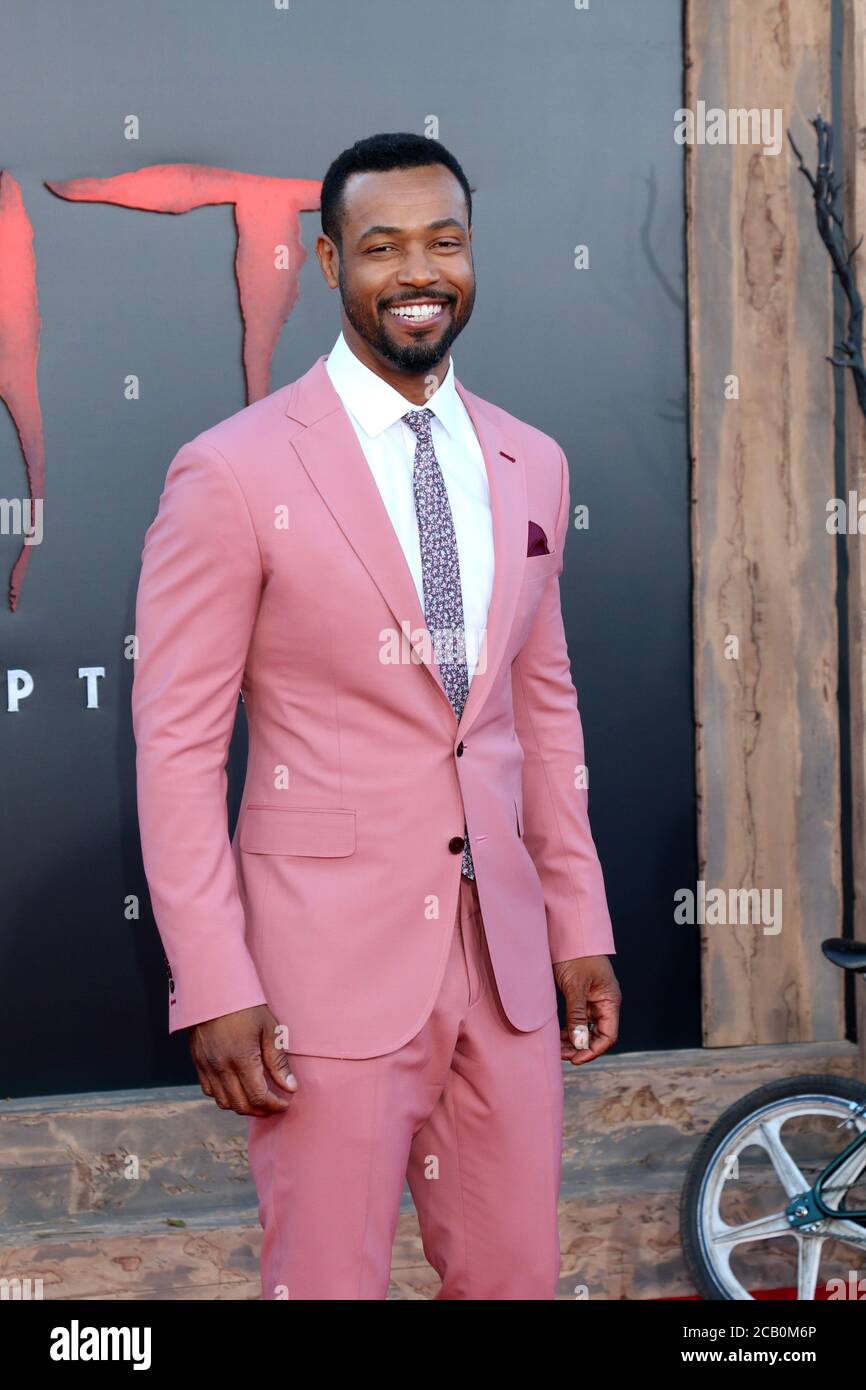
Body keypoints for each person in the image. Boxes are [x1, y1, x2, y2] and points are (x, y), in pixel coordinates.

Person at [131, 131, 621, 1301]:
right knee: (326, 1282)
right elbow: (178, 746)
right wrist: (213, 977)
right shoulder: (233, 471)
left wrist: (575, 922)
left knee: (514, 1275)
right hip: (319, 972)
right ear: (327, 262)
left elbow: (538, 711)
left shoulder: (530, 460)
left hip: (501, 963)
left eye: (442, 242)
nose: (418, 270)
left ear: (470, 257)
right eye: (382, 245)